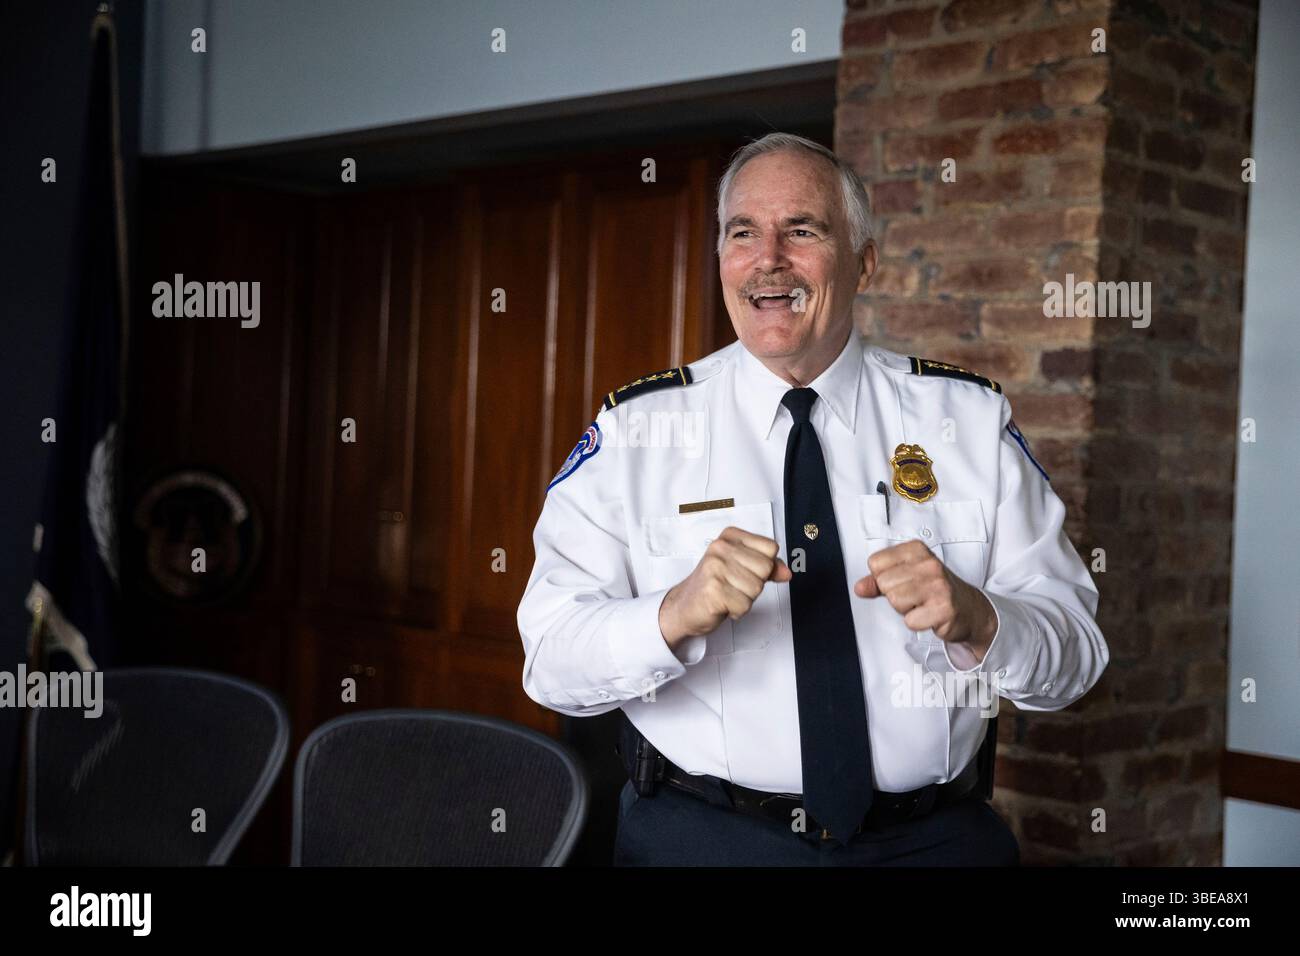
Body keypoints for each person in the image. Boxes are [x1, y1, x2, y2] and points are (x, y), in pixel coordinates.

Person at [516, 132, 1109, 866]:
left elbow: (1078, 656)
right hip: (702, 844)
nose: (769, 258)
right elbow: (549, 661)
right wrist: (670, 615)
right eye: (743, 232)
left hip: (934, 845)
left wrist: (983, 618)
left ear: (863, 262)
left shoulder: (969, 421)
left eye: (802, 230)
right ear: (722, 260)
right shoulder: (636, 429)